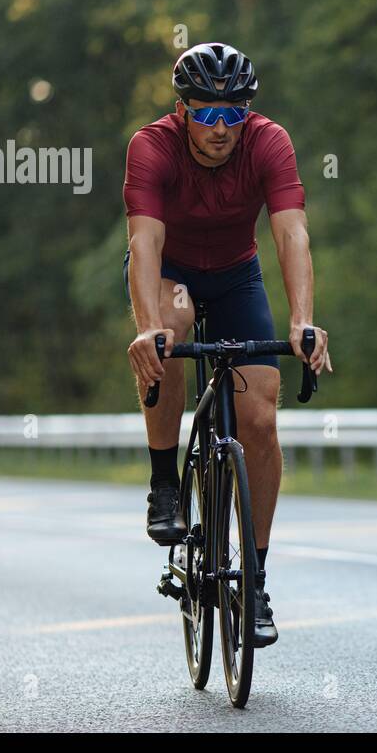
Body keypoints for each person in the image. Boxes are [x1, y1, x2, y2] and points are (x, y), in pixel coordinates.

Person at [122, 42, 331, 647]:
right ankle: (165, 481)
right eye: (207, 113)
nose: (221, 128)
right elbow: (145, 244)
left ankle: (256, 582)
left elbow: (291, 234)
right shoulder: (150, 146)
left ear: (248, 112)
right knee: (172, 328)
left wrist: (302, 321)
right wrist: (147, 325)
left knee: (260, 420)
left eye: (233, 113)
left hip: (238, 276)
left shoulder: (270, 142)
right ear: (181, 109)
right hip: (172, 273)